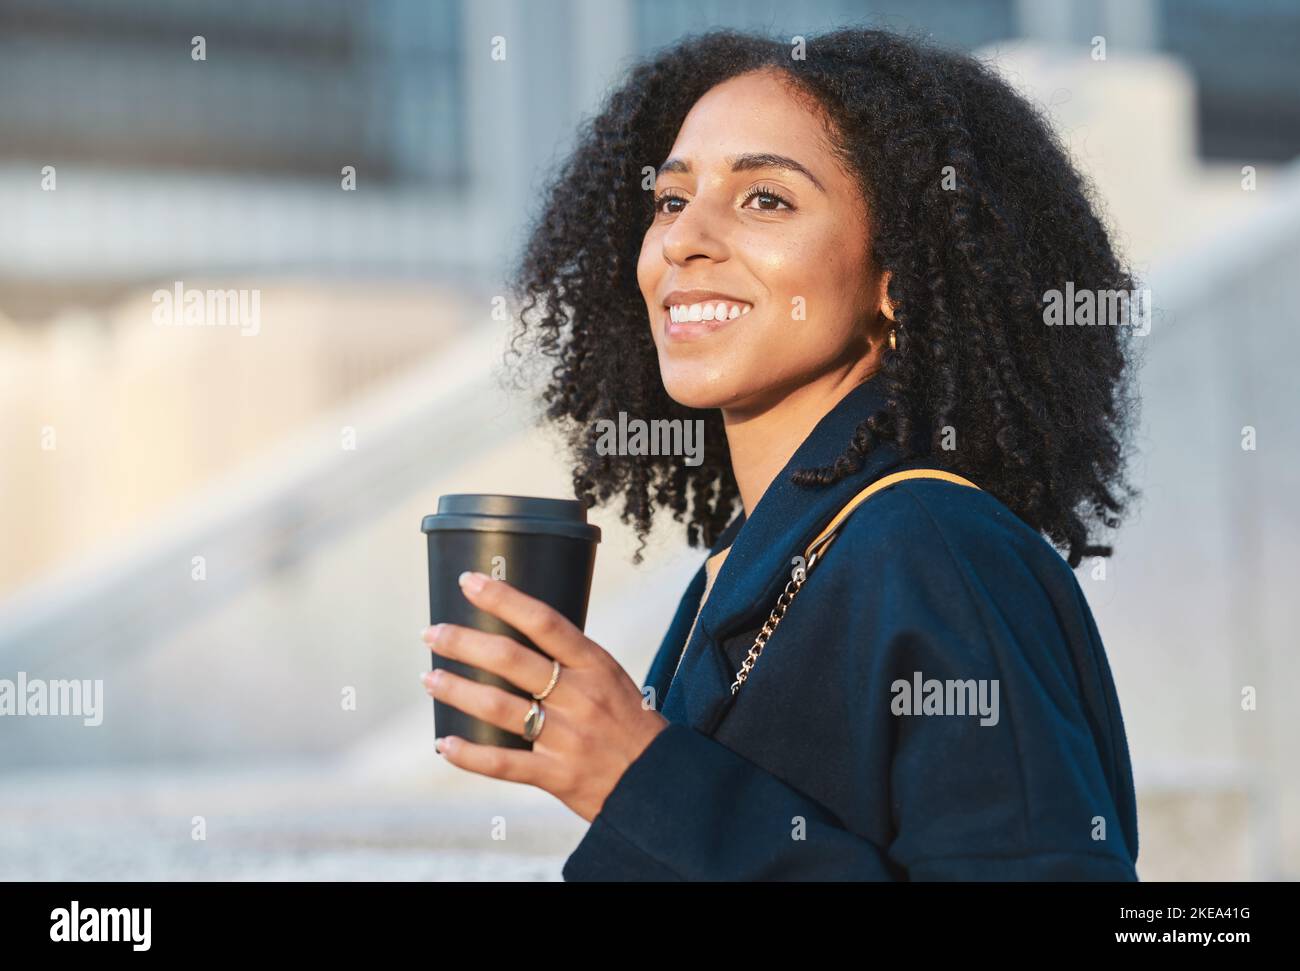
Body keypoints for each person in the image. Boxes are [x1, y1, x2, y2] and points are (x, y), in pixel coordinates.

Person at [419, 27, 1141, 880]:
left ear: (897, 278)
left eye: (766, 199)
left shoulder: (934, 547)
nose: (685, 239)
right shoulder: (743, 570)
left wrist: (642, 776)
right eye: (671, 199)